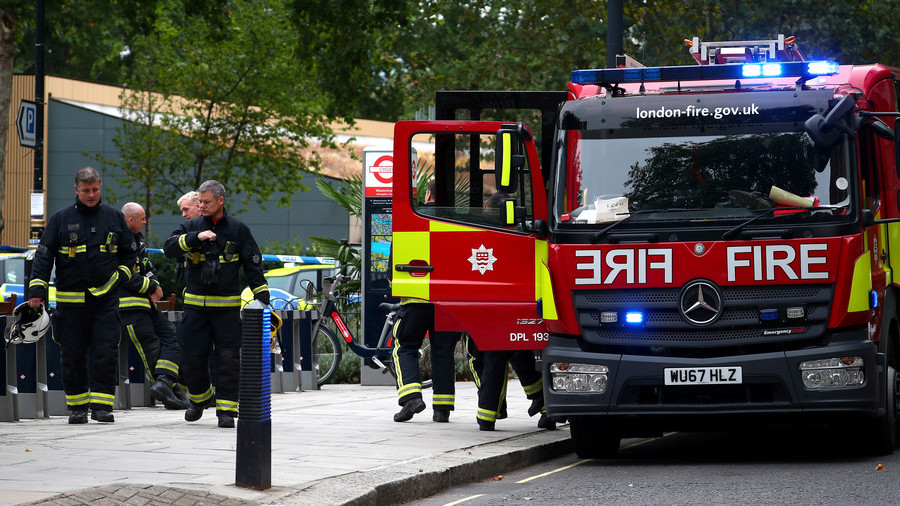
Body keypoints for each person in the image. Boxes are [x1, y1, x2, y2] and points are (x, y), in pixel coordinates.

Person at [28, 167, 137, 424]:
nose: (91, 194)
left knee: (105, 352)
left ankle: (102, 407)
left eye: (95, 189)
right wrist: (36, 291)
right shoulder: (60, 219)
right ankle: (77, 408)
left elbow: (129, 253)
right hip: (71, 304)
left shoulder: (114, 218)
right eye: (86, 190)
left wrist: (121, 274)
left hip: (105, 302)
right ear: (76, 189)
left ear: (101, 188)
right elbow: (44, 256)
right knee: (72, 355)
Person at [163, 180, 269, 428]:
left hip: (226, 311)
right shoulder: (190, 226)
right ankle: (199, 400)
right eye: (199, 201)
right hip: (195, 310)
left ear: (221, 201)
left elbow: (253, 266)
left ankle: (226, 410)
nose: (201, 205)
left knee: (228, 359)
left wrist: (263, 300)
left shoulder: (238, 230)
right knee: (191, 357)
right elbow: (168, 248)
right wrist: (195, 237)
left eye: (206, 202)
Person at [392, 179, 461, 423]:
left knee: (405, 346)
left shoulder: (410, 221)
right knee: (443, 351)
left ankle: (411, 397)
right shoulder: (462, 225)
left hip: (416, 299)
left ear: (429, 195)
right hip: (448, 302)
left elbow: (394, 264)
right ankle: (442, 409)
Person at [119, 202, 189, 410]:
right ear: (130, 220)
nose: (145, 222)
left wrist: (155, 284)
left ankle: (166, 384)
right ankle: (167, 390)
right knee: (152, 348)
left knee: (171, 338)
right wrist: (150, 286)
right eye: (142, 219)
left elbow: (147, 268)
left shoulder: (137, 240)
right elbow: (123, 276)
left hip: (147, 306)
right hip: (128, 308)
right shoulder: (118, 241)